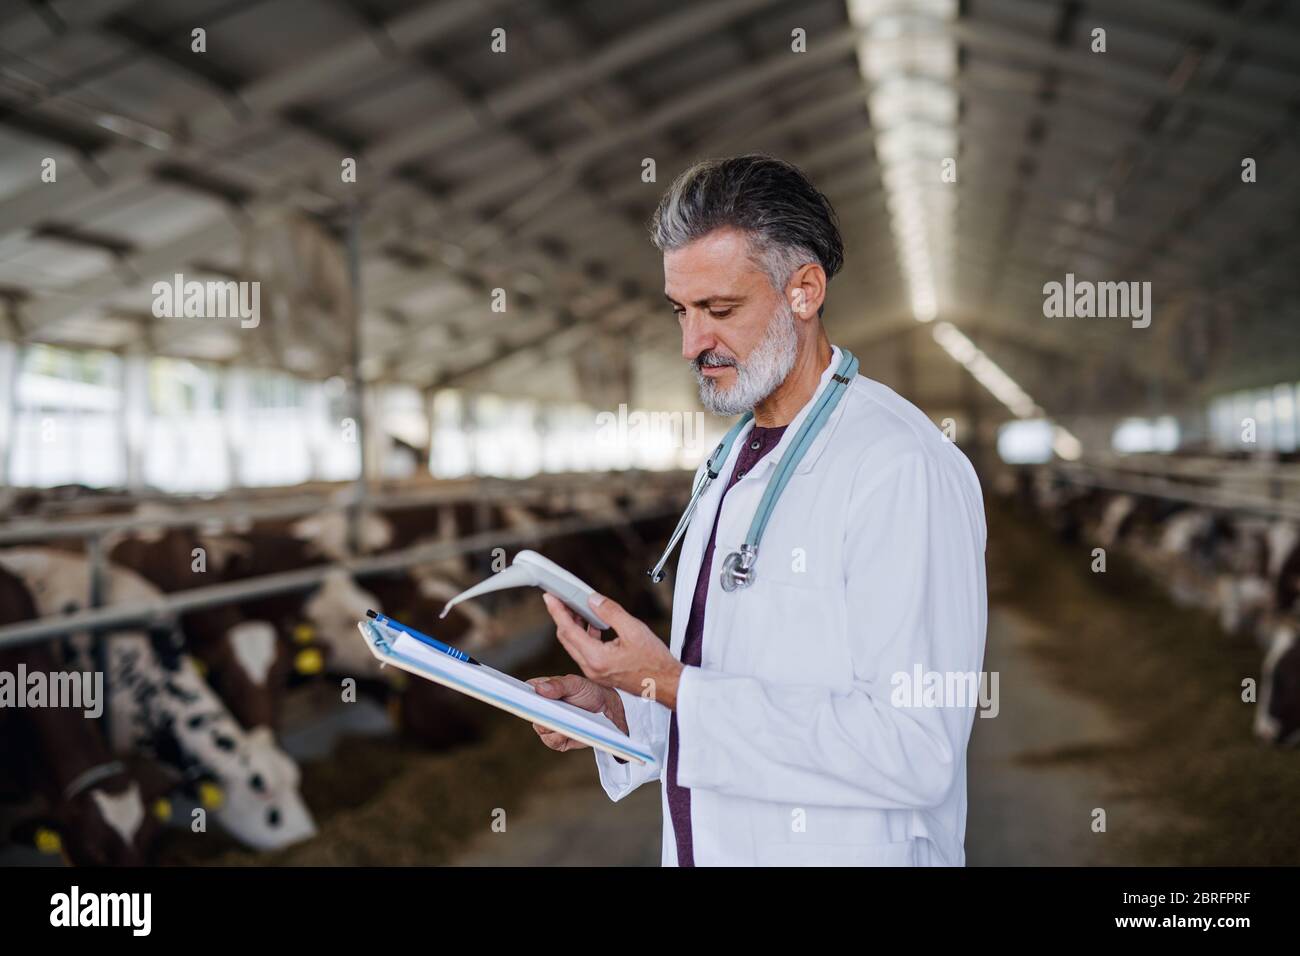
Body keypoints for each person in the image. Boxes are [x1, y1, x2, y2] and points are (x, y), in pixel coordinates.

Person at [529, 154, 987, 867]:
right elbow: (741, 683)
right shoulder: (731, 458)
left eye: (720, 311)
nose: (691, 345)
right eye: (680, 311)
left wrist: (670, 683)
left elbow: (916, 750)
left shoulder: (900, 466)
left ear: (804, 291)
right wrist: (625, 708)